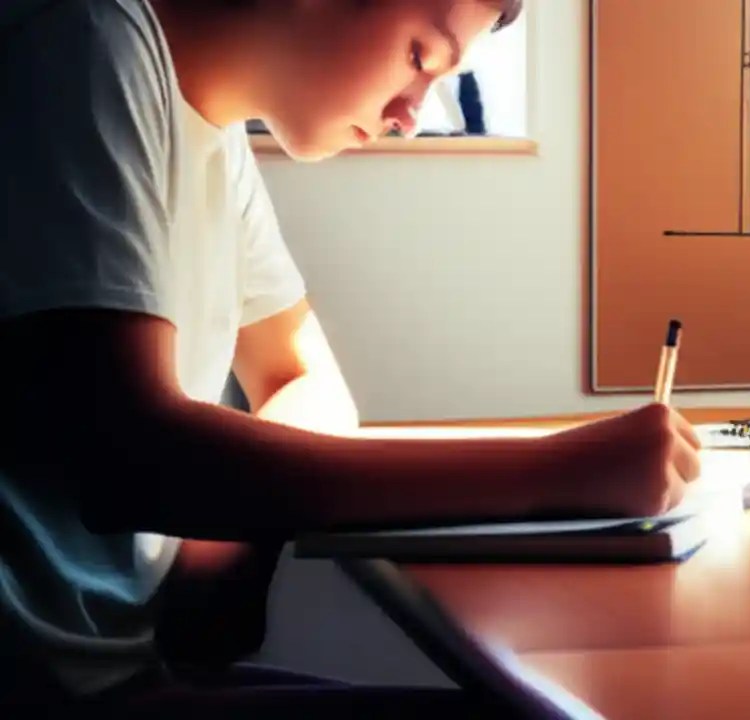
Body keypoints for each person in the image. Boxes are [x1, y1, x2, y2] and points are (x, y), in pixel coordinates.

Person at [0, 0, 703, 715]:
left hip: (120, 672)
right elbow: (133, 456)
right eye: (419, 57)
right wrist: (559, 471)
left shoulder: (212, 132)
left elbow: (307, 380)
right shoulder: (82, 36)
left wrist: (210, 540)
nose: (412, 113)